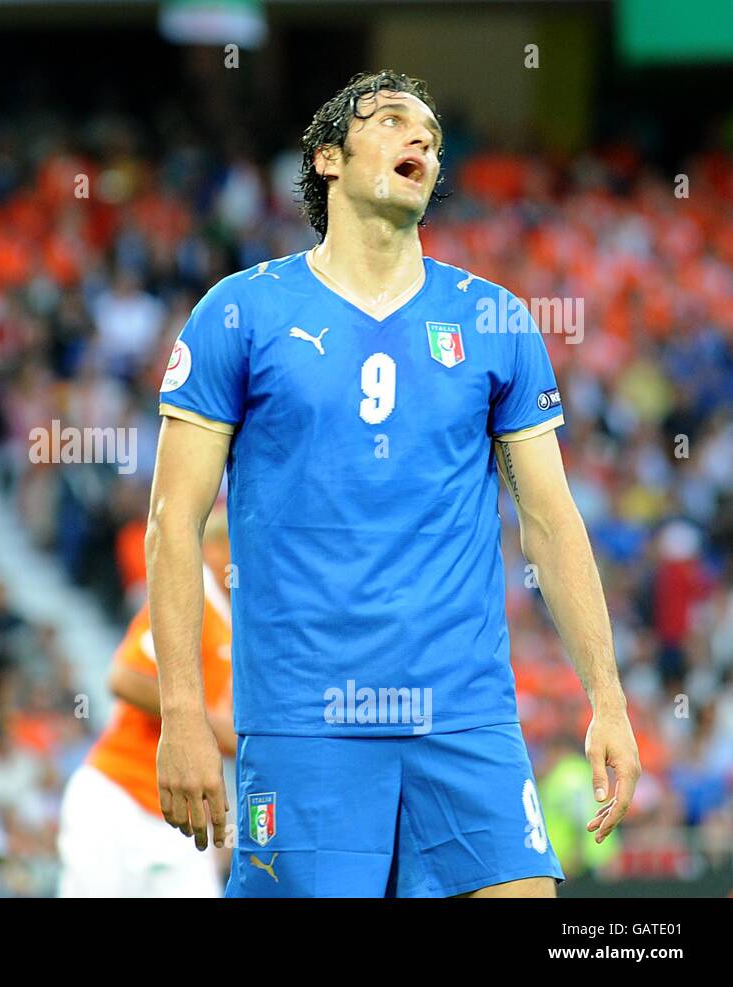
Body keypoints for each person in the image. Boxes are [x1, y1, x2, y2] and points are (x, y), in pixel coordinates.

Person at [146, 70, 641, 898]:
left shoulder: (496, 320)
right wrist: (183, 711)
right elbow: (173, 519)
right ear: (327, 158)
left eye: (434, 136)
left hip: (465, 715)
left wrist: (609, 699)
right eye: (392, 122)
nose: (422, 140)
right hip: (309, 721)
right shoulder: (240, 313)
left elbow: (551, 522)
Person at [58, 508, 233, 897]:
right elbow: (123, 677)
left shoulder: (227, 618)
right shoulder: (193, 601)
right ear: (219, 551)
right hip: (118, 796)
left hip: (176, 814)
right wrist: (207, 723)